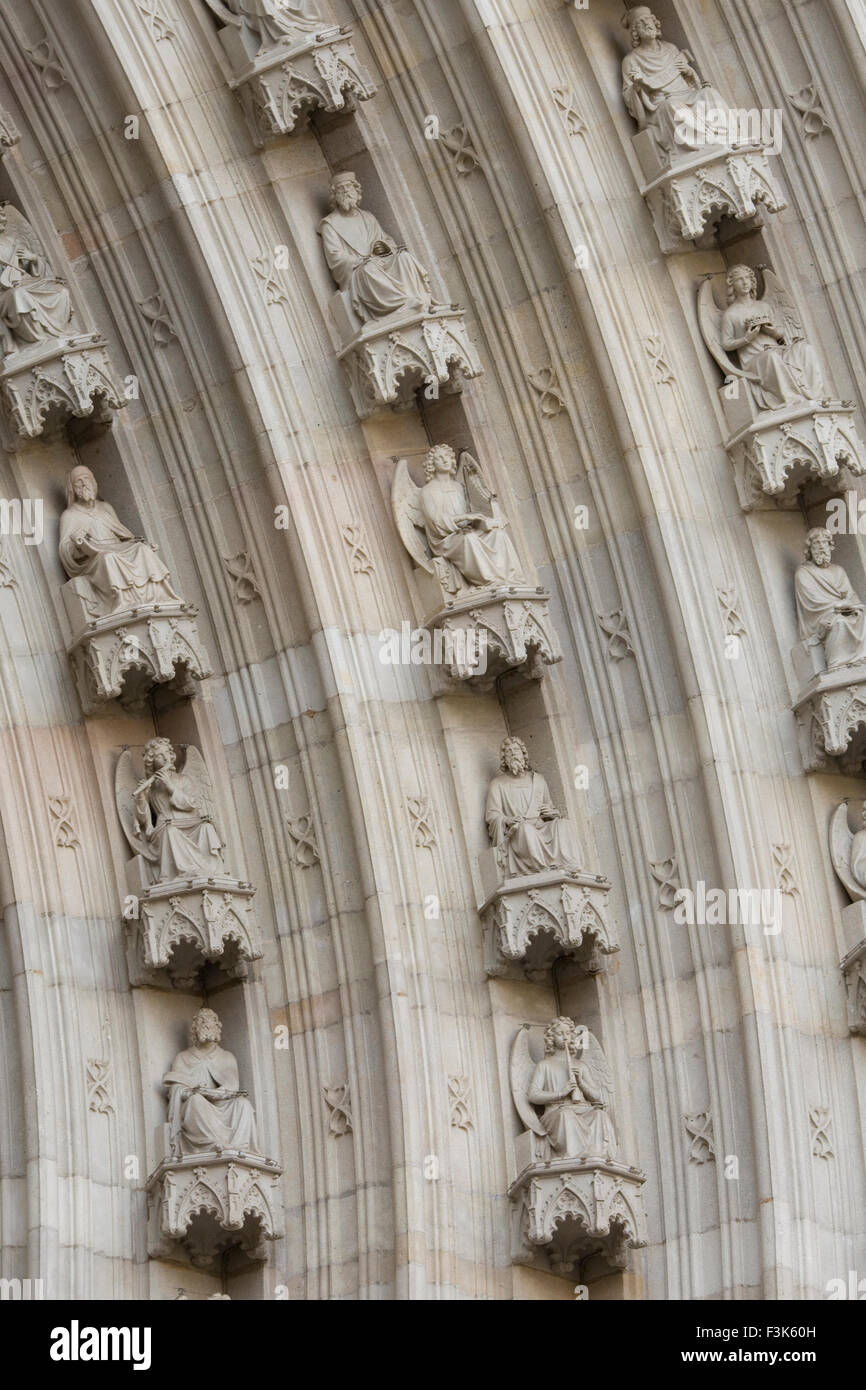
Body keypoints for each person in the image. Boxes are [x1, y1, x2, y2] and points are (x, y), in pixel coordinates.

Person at [59, 465, 182, 617]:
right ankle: (123, 600)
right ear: (73, 489)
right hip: (93, 560)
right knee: (108, 557)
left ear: (94, 482)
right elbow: (64, 549)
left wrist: (141, 543)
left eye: (87, 479)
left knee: (142, 549)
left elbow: (123, 535)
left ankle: (161, 595)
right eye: (79, 482)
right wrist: (78, 545)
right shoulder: (70, 515)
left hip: (116, 548)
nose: (84, 484)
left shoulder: (105, 508)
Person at [319, 172, 435, 323]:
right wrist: (363, 260)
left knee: (404, 258)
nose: (347, 192)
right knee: (370, 270)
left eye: (350, 188)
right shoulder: (330, 224)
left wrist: (385, 247)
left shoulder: (367, 216)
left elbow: (385, 239)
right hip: (358, 270)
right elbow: (336, 257)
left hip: (379, 261)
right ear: (335, 196)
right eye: (341, 190)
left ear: (357, 191)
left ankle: (419, 299)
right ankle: (403, 303)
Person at [621, 6, 729, 158]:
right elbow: (628, 95)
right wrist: (638, 86)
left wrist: (689, 72)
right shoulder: (631, 60)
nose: (647, 25)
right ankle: (702, 146)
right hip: (661, 103)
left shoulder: (670, 48)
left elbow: (691, 82)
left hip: (687, 94)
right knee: (672, 106)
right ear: (635, 32)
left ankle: (723, 138)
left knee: (709, 93)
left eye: (649, 20)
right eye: (641, 23)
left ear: (655, 23)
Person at [720, 264, 825, 411]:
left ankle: (815, 395)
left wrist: (772, 331)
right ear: (732, 285)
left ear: (752, 282)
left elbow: (781, 332)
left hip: (778, 349)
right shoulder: (730, 314)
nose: (744, 282)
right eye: (739, 279)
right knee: (771, 357)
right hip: (754, 360)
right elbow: (725, 343)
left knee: (805, 349)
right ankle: (793, 399)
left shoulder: (763, 306)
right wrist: (747, 338)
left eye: (747, 278)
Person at [419, 444, 523, 591]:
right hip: (446, 539)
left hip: (466, 530)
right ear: (432, 465)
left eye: (447, 456)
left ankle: (510, 578)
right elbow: (436, 521)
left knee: (498, 534)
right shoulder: (428, 490)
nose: (444, 460)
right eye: (439, 458)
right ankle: (489, 581)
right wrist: (464, 517)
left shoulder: (458, 486)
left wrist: (481, 519)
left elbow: (471, 511)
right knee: (469, 539)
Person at [164, 1008, 259, 1158]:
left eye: (211, 1023)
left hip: (221, 1103)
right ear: (195, 1030)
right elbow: (175, 1089)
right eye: (202, 1023)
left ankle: (239, 1148)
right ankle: (212, 1143)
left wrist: (214, 1093)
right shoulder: (183, 1057)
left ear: (218, 1028)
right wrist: (189, 1092)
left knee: (243, 1104)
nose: (207, 1026)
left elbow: (232, 1086)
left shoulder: (227, 1057)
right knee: (195, 1101)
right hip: (198, 1105)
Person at [486, 736, 580, 877]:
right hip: (519, 829)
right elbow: (492, 815)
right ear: (504, 759)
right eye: (509, 752)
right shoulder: (497, 784)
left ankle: (568, 864)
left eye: (516, 750)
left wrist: (553, 813)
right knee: (526, 830)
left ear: (523, 754)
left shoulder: (538, 780)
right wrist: (506, 820)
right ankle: (541, 870)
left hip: (540, 825)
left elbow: (549, 808)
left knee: (563, 825)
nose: (513, 754)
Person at [134, 737, 225, 884]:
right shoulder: (151, 788)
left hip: (189, 822)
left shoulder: (183, 779)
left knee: (207, 827)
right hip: (165, 828)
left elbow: (190, 804)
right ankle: (184, 871)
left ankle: (212, 871)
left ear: (172, 756)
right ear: (151, 761)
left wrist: (170, 786)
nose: (164, 758)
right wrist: (141, 798)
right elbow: (144, 820)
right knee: (171, 832)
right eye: (159, 756)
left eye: (166, 754)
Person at [527, 1017, 616, 1159]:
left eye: (568, 1033)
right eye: (560, 1033)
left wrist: (581, 1083)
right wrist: (561, 1093)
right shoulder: (545, 1065)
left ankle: (597, 1156)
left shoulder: (580, 1065)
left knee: (600, 1115)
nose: (565, 1037)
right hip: (556, 1111)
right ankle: (577, 1157)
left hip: (582, 1108)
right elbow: (533, 1095)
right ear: (551, 1037)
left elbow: (597, 1097)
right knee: (566, 1115)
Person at [0, 201, 73, 355]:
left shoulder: (12, 241)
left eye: (2, 216)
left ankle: (56, 333)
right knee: (18, 296)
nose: (2, 219)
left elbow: (32, 270)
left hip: (24, 283)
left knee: (61, 292)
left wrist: (32, 258)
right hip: (4, 293)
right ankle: (38, 339)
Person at [794, 528, 866, 671]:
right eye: (817, 543)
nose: (822, 547)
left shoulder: (838, 570)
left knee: (862, 614)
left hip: (844, 609)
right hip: (820, 615)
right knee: (839, 622)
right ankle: (837, 664)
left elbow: (851, 596)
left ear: (830, 546)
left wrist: (851, 606)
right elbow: (812, 602)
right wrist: (837, 606)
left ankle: (861, 658)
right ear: (810, 548)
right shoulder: (803, 572)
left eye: (825, 543)